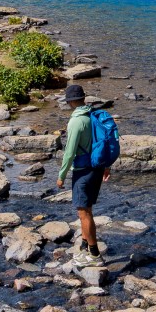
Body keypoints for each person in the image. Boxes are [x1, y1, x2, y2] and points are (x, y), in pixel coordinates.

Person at [56, 83, 110, 259]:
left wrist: (61, 176)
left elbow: (70, 152)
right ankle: (85, 244)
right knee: (87, 209)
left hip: (83, 172)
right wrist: (107, 166)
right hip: (97, 168)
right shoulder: (93, 115)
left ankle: (94, 254)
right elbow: (104, 142)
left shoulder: (76, 121)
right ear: (83, 98)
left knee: (84, 213)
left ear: (70, 102)